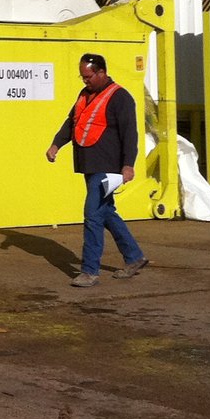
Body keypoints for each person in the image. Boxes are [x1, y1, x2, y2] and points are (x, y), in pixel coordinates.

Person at [46, 52, 149, 287]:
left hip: (107, 169)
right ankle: (134, 257)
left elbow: (129, 134)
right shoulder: (85, 95)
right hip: (89, 165)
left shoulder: (120, 97)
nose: (85, 81)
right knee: (106, 213)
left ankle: (89, 271)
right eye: (82, 77)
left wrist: (128, 165)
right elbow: (71, 122)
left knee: (92, 215)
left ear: (101, 72)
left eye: (89, 76)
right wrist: (56, 144)